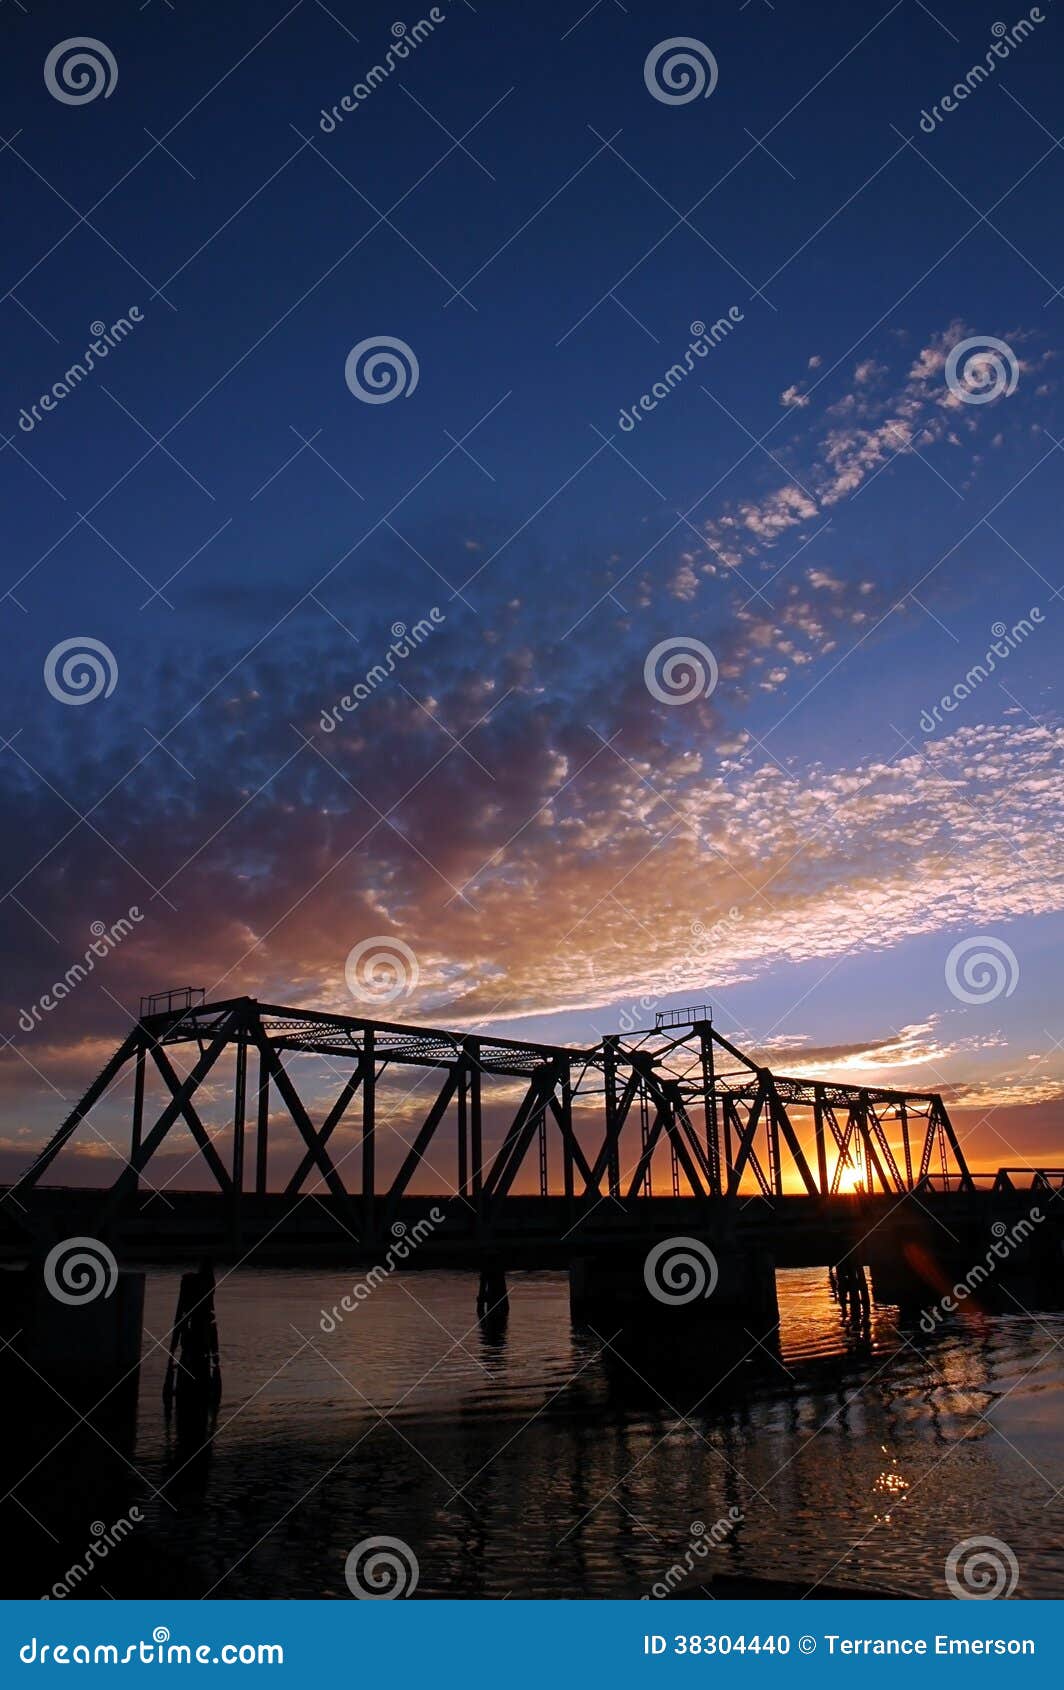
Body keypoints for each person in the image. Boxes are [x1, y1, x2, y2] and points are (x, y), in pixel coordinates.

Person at [163, 1258, 221, 1416]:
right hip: (196, 1344)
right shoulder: (197, 1284)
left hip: (195, 1344)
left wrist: (172, 1351)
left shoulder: (193, 1283)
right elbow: (183, 1318)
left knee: (191, 1386)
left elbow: (180, 1318)